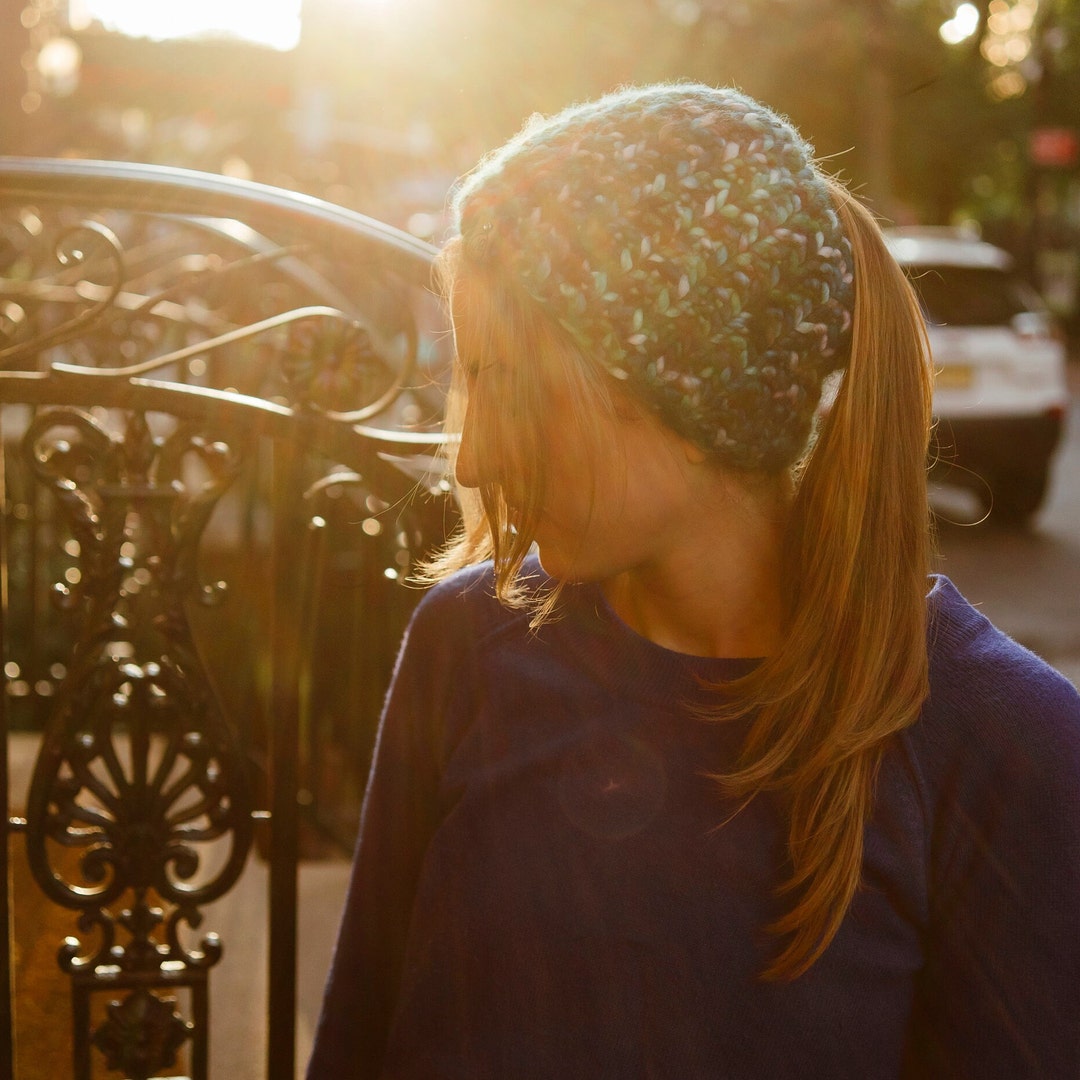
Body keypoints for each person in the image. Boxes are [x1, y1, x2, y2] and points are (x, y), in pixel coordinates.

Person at [307, 83, 1080, 1079]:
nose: (471, 459)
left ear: (684, 388)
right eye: (472, 380)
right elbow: (359, 1039)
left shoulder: (1003, 744)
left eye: (516, 386)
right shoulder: (465, 642)